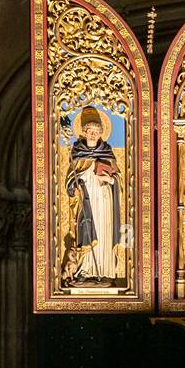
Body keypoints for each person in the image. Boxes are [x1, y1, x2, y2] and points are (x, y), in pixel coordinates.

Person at [65, 107, 122, 282]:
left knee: (104, 231)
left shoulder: (107, 151)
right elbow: (70, 178)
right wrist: (74, 187)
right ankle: (85, 270)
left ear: (100, 134)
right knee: (87, 229)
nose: (93, 135)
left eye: (96, 132)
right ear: (84, 132)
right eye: (90, 131)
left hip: (104, 199)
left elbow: (117, 178)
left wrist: (111, 180)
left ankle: (105, 271)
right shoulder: (77, 152)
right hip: (87, 199)